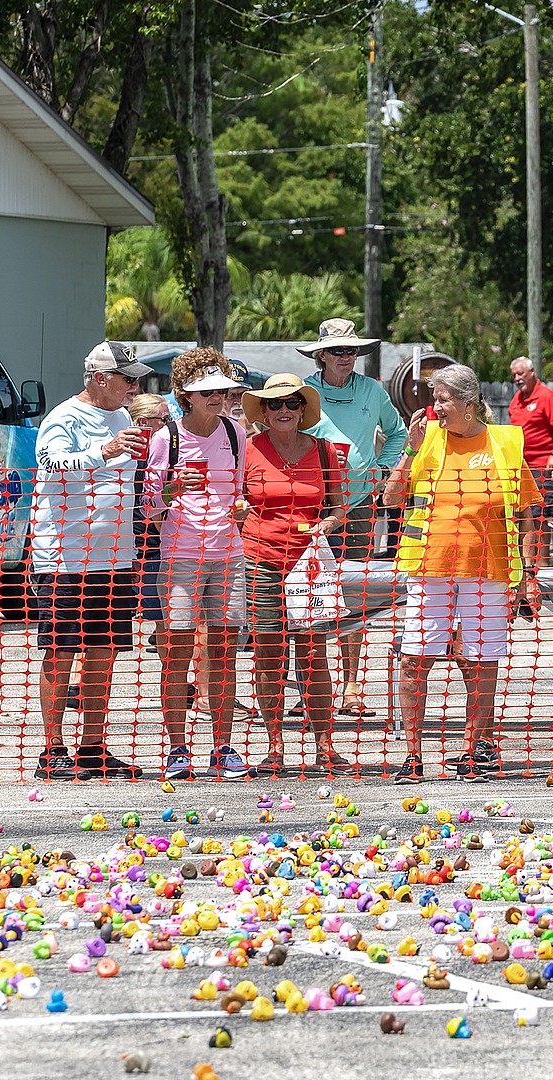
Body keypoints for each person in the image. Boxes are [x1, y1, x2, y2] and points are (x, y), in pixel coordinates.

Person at [382, 363, 543, 784]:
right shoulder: (425, 439)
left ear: (468, 405)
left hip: (488, 572)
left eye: (443, 399)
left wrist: (528, 575)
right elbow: (391, 498)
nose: (435, 406)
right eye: (434, 398)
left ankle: (472, 750)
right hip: (429, 568)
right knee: (416, 659)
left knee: (480, 661)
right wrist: (410, 450)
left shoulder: (504, 443)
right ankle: (413, 756)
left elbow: (528, 514)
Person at [29, 342, 151, 780]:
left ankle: (93, 747)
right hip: (63, 557)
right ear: (101, 379)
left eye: (136, 380)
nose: (135, 387)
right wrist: (106, 450)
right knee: (60, 651)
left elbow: (133, 485)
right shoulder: (63, 417)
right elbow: (48, 463)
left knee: (105, 652)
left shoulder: (123, 418)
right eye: (128, 379)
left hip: (115, 557)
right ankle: (52, 750)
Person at [141, 360, 249, 781]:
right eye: (209, 392)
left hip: (228, 555)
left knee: (223, 653)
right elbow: (149, 510)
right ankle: (177, 749)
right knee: (176, 653)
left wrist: (241, 510)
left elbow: (238, 494)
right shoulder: (166, 438)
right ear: (185, 396)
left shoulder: (235, 433)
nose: (219, 398)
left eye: (223, 391)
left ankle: (222, 747)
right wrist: (171, 489)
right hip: (180, 556)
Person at [241, 374, 351, 778]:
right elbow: (236, 499)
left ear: (303, 409)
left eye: (291, 403)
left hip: (309, 566)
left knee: (313, 653)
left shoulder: (324, 452)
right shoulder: (248, 449)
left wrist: (329, 525)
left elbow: (340, 509)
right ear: (264, 411)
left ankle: (325, 746)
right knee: (269, 654)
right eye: (274, 404)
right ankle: (274, 746)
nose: (283, 410)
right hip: (260, 558)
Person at [301, 318, 408, 718]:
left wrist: (382, 469)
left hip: (361, 503)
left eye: (351, 350)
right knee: (309, 594)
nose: (346, 357)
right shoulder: (303, 392)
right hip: (312, 504)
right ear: (322, 355)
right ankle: (311, 686)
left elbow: (397, 433)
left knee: (354, 592)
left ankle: (350, 685)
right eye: (337, 351)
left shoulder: (372, 390)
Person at [508, 355, 553, 558]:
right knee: (523, 516)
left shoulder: (545, 396)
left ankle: (541, 567)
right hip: (522, 467)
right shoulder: (516, 401)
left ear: (532, 372)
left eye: (521, 373)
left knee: (541, 516)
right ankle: (526, 566)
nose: (517, 378)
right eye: (514, 375)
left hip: (544, 467)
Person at [128, 394, 170, 636]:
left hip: (154, 546)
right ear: (143, 421)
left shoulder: (165, 450)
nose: (169, 424)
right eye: (163, 419)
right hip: (140, 546)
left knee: (166, 623)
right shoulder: (130, 456)